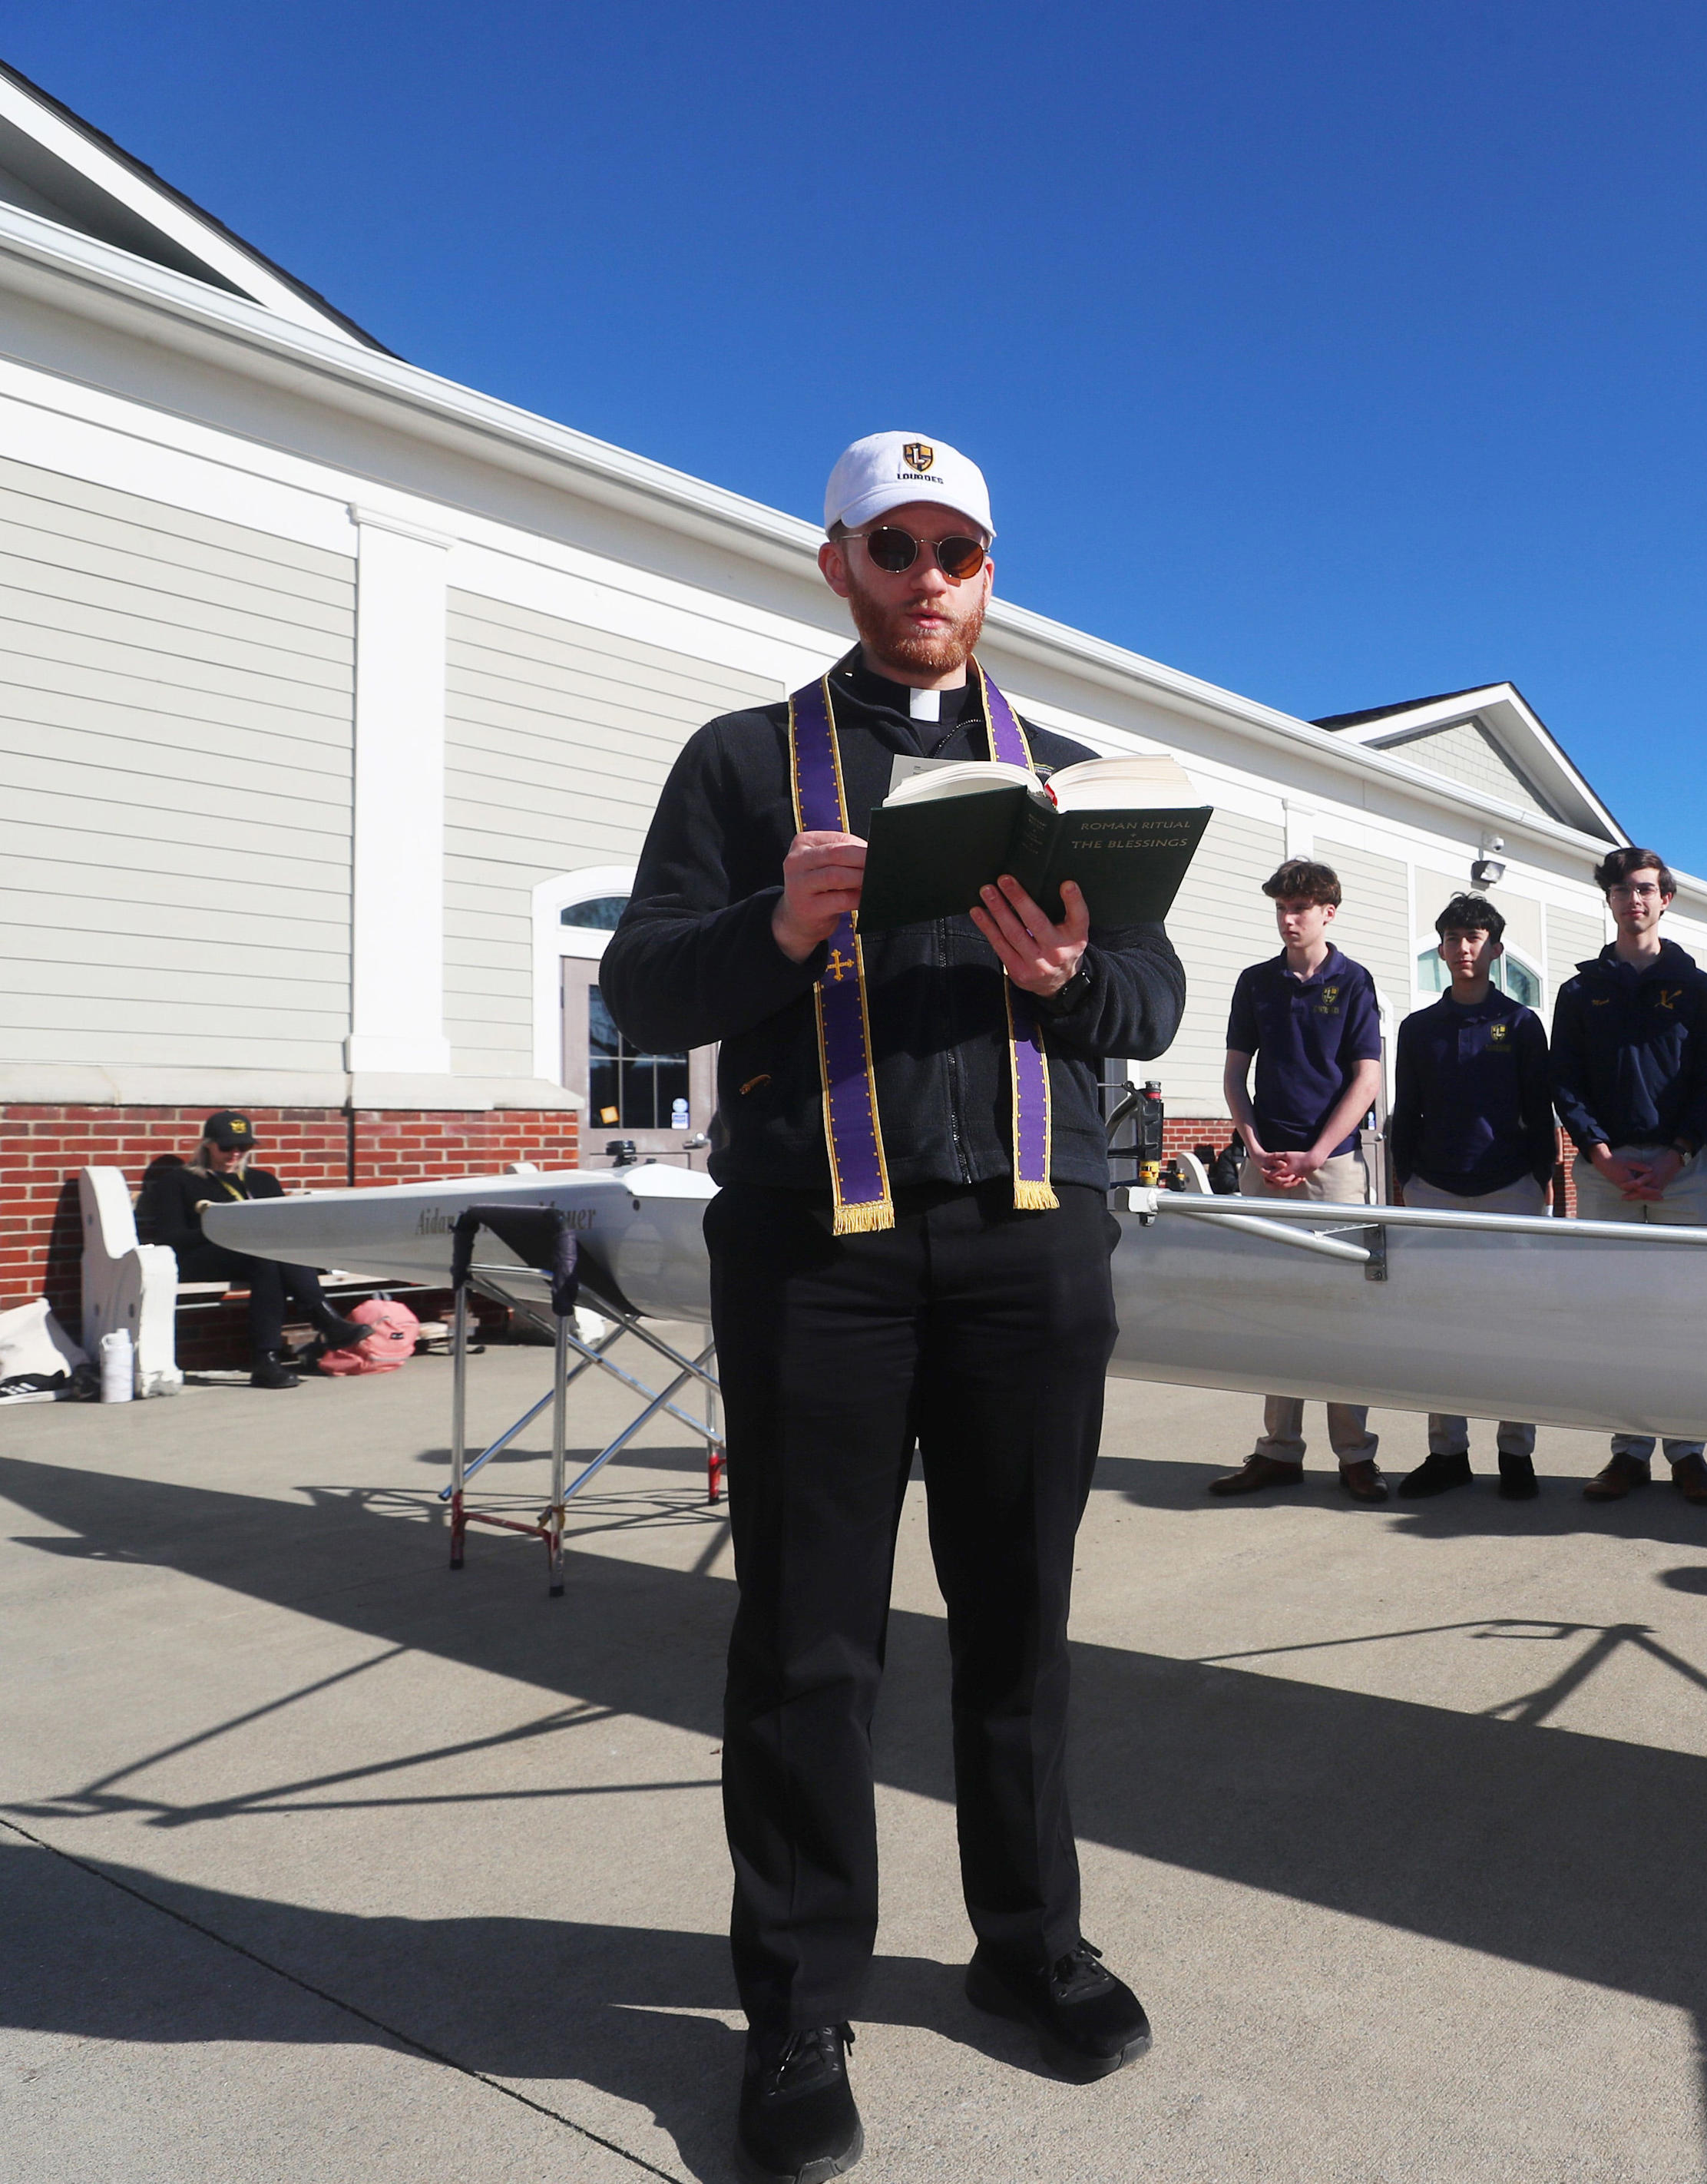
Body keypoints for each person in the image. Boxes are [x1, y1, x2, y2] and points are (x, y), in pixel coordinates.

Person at [604, 432, 1181, 2184]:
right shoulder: (739, 764)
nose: (932, 576)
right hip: (817, 1247)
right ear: (835, 560)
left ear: (992, 576)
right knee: (806, 1640)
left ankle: (1026, 1943)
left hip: (1028, 1239)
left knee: (1018, 1619)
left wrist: (1078, 977)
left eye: (963, 550)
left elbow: (1149, 996)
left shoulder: (1062, 774)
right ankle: (793, 2010)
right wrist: (769, 929)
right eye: (898, 544)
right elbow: (642, 983)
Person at [1550, 845, 1707, 1507]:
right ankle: (1627, 1454)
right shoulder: (1580, 991)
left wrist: (1676, 1154)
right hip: (1605, 1174)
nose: (1635, 900)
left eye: (1647, 889)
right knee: (1615, 1317)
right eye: (1623, 889)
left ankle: (1688, 1453)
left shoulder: (1698, 989)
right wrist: (1599, 1152)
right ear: (1608, 899)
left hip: (1679, 1172)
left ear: (1665, 899)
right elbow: (1565, 1081)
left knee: (1684, 1316)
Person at [1207, 861, 1388, 1504]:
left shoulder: (1354, 981)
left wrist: (1316, 1152)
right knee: (1274, 1308)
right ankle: (1279, 1451)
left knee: (1342, 1312)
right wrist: (1252, 1143)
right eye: (1283, 907)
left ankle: (1355, 1456)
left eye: (1302, 908)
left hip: (1334, 1168)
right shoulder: (1257, 983)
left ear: (1328, 913)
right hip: (1267, 1166)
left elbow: (1367, 1080)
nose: (1290, 918)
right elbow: (1235, 1073)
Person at [1389, 894, 1560, 1501]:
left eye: (1477, 937)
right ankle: (1447, 1453)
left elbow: (1539, 1113)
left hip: (1509, 1188)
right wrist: (1405, 1181)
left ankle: (1516, 1452)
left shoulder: (1519, 1025)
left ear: (1496, 949)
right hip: (1435, 1187)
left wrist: (1542, 1179)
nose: (1465, 947)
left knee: (1513, 1325)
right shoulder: (1419, 1028)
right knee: (1440, 1325)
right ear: (1441, 948)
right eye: (1455, 937)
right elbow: (1405, 1110)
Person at [134, 1111, 366, 1388]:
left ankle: (267, 1359)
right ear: (207, 1144)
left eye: (243, 1147)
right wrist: (219, 1230)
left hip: (259, 1256)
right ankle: (325, 1322)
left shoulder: (262, 1181)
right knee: (266, 1257)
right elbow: (171, 1237)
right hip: (201, 1255)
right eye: (226, 1147)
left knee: (272, 1257)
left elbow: (286, 1225)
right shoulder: (179, 1182)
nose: (235, 1154)